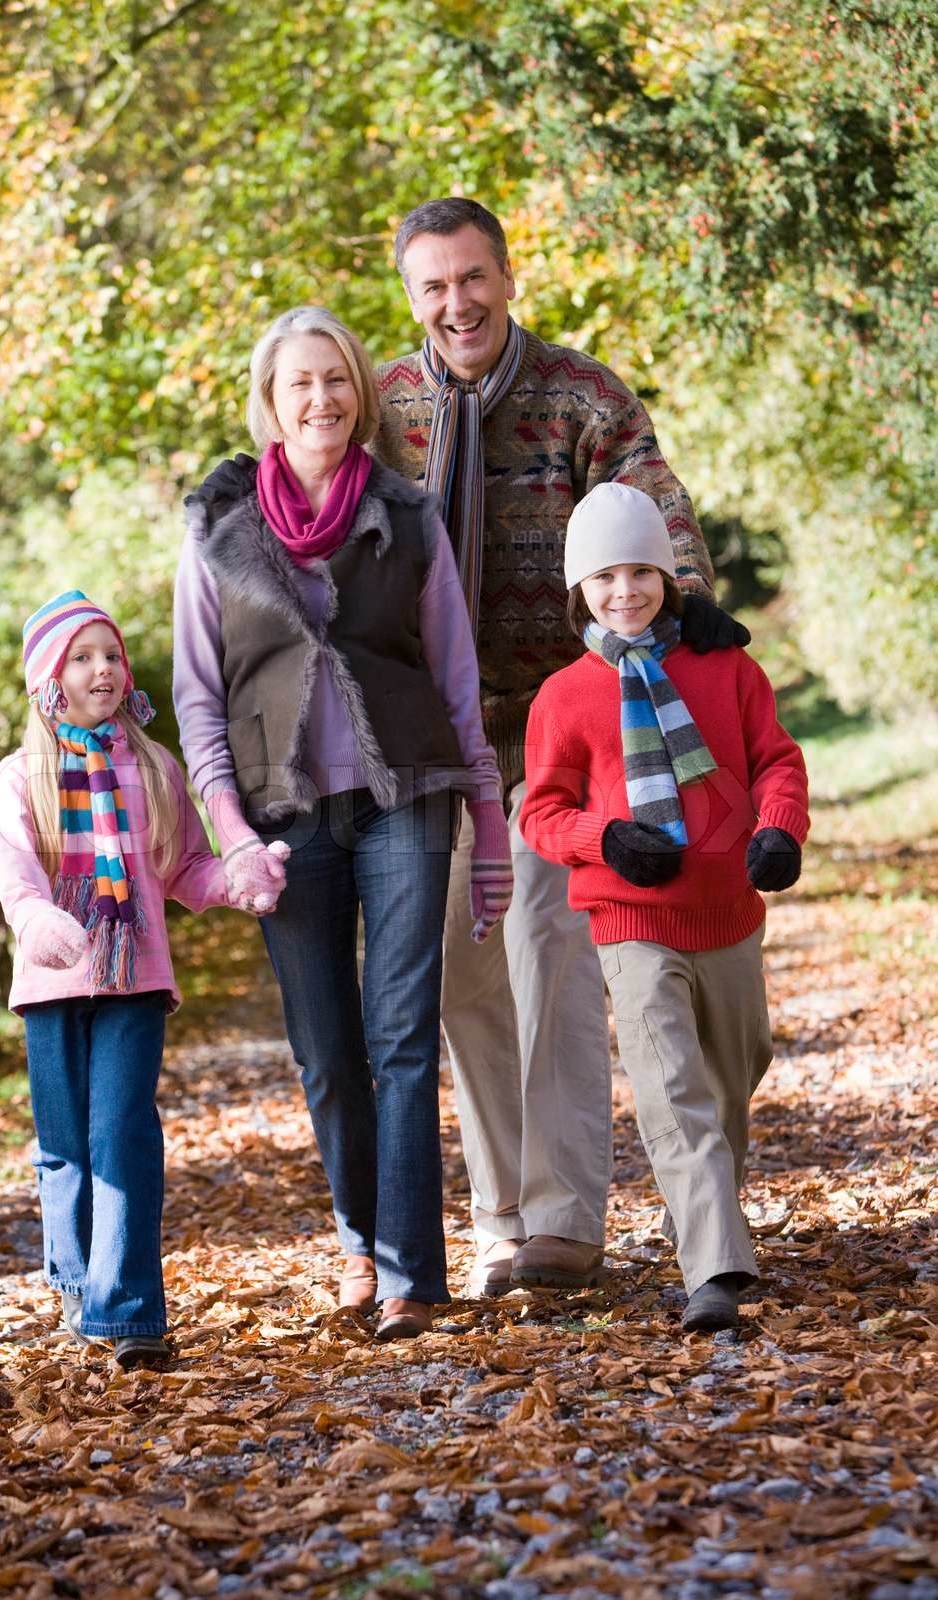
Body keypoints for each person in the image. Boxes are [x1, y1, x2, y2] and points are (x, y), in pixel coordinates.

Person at [375, 196, 748, 1296]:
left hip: (562, 728)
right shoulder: (387, 404)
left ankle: (560, 1220)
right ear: (412, 298)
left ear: (505, 276)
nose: (457, 303)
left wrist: (683, 591)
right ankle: (496, 1212)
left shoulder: (578, 396)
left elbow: (654, 509)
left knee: (545, 949)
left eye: (472, 278)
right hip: (429, 735)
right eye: (433, 286)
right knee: (457, 975)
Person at [174, 305, 509, 1340]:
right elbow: (195, 695)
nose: (319, 398)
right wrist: (227, 827)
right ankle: (358, 1243)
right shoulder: (219, 533)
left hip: (406, 791)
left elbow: (456, 676)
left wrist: (488, 829)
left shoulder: (406, 516)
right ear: (268, 404)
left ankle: (414, 1274)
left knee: (400, 1033)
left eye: (335, 379)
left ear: (359, 391)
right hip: (281, 817)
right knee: (324, 1048)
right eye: (297, 384)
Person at [520, 482, 809, 1330]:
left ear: (666, 573)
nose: (624, 592)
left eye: (639, 571)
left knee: (732, 1071)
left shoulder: (726, 667)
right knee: (670, 1087)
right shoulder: (564, 696)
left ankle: (703, 1213)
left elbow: (776, 763)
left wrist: (779, 832)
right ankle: (712, 1271)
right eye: (604, 578)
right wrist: (602, 839)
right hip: (631, 920)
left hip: (726, 910)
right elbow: (541, 811)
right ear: (581, 591)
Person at [0, 591, 238, 1369]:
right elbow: (19, 881)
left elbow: (185, 866)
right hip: (52, 987)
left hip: (135, 980)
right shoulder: (21, 775)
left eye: (111, 654)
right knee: (64, 1148)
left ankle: (127, 1316)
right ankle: (75, 1275)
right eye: (83, 656)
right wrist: (38, 923)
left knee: (120, 1134)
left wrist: (239, 879)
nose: (103, 669)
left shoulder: (154, 770)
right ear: (48, 679)